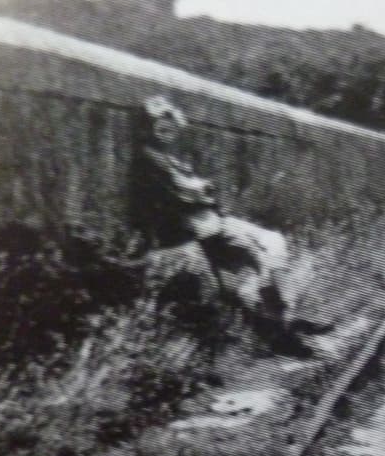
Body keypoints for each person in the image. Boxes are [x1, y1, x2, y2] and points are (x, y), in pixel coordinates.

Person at [129, 95, 332, 357]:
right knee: (241, 280)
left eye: (170, 124)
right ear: (147, 127)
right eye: (159, 124)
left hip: (207, 226)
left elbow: (199, 193)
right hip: (192, 231)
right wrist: (201, 189)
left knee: (259, 260)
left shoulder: (168, 158)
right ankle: (283, 334)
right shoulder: (150, 159)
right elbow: (185, 194)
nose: (166, 130)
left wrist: (201, 191)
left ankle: (285, 326)